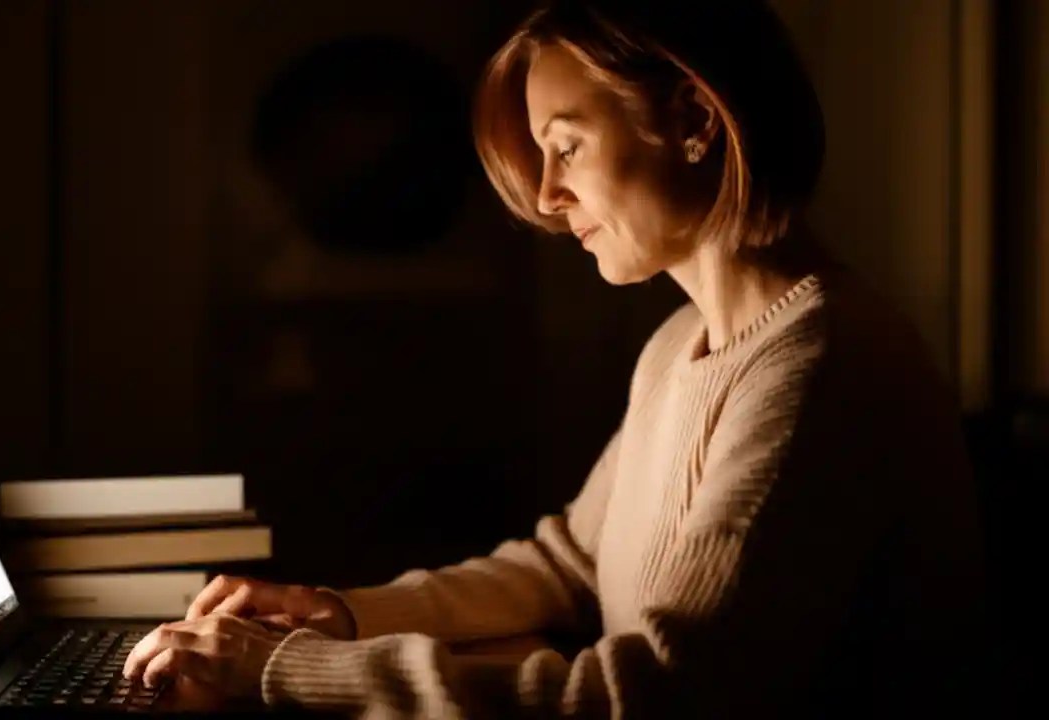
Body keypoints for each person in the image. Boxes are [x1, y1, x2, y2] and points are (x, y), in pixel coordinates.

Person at [124, 0, 988, 716]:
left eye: (566, 146)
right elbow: (568, 562)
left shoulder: (822, 368)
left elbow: (650, 699)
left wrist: (287, 674)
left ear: (693, 119)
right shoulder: (684, 345)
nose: (545, 194)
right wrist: (341, 613)